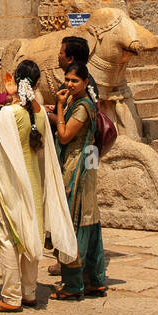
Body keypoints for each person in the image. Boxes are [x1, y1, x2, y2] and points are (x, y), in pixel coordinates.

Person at [0, 60, 78, 313]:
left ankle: (11, 296)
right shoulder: (41, 114)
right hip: (34, 181)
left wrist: (11, 100)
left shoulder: (8, 114)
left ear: (15, 81)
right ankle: (30, 292)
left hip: (11, 183)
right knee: (30, 232)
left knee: (9, 238)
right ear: (35, 84)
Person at [51, 59, 108, 300]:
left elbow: (64, 136)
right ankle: (94, 280)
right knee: (89, 218)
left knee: (73, 219)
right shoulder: (82, 102)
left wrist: (60, 107)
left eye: (75, 80)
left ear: (86, 82)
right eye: (67, 79)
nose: (70, 84)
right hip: (86, 163)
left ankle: (73, 285)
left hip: (77, 167)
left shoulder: (83, 107)